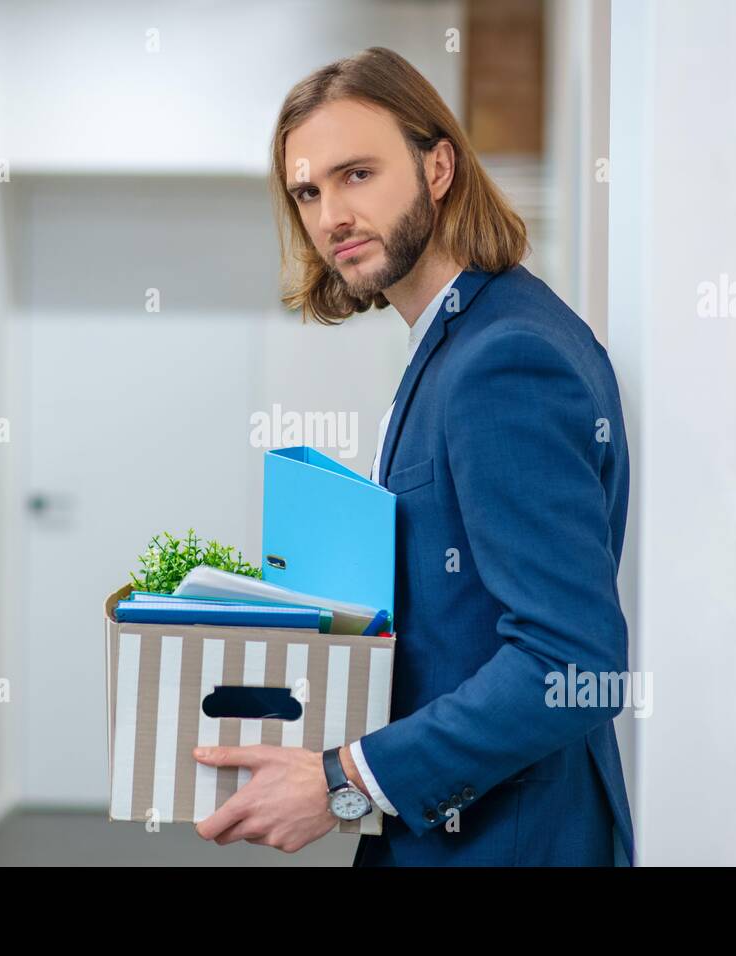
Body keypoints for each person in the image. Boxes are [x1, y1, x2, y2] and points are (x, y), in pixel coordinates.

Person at [194, 46, 633, 866]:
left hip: (510, 838)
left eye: (357, 174)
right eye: (308, 191)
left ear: (438, 167)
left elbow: (570, 659)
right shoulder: (456, 340)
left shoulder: (504, 358)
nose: (330, 217)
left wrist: (340, 779)